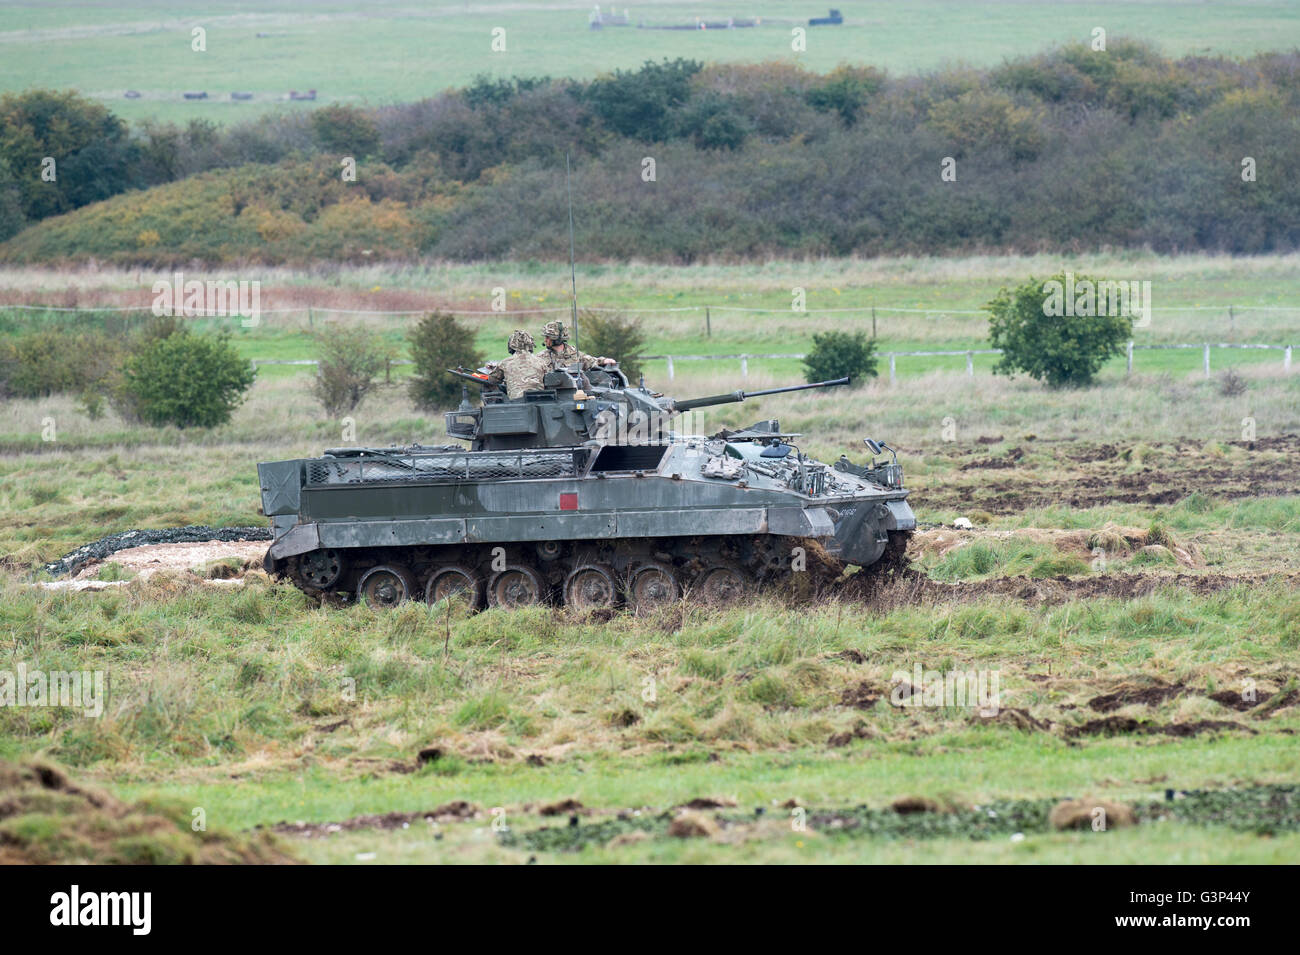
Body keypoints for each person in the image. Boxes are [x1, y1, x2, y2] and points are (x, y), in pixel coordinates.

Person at [487, 329, 550, 399]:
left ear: (511, 345)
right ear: (531, 344)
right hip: (539, 400)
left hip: (516, 403)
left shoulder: (505, 363)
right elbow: (548, 381)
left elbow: (492, 380)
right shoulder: (541, 362)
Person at [540, 320, 616, 372]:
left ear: (557, 339)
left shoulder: (575, 355)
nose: (545, 340)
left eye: (548, 337)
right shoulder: (541, 358)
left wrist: (604, 361)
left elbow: (590, 361)